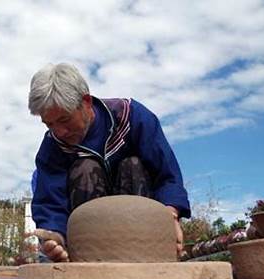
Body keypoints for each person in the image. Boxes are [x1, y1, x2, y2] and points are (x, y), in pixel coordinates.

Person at [29, 63, 190, 263]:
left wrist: (170, 216)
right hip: (90, 245)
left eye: (65, 120)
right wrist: (55, 237)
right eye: (49, 124)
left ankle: (150, 266)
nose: (59, 131)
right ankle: (87, 278)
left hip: (139, 230)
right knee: (85, 168)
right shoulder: (52, 147)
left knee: (132, 165)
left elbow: (166, 175)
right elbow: (50, 202)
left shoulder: (132, 117)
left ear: (86, 102)